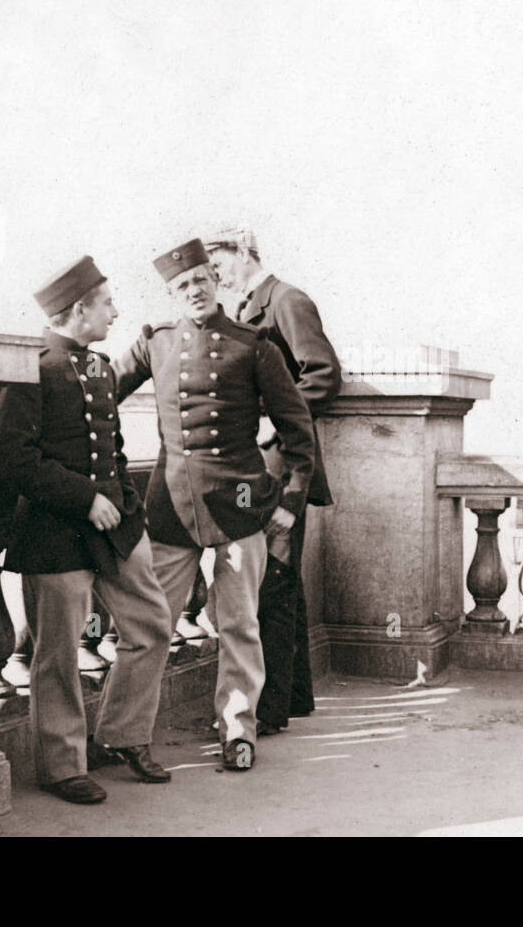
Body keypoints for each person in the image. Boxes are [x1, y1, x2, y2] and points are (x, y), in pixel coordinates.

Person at [115, 238, 315, 771]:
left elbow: (298, 431)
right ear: (170, 293)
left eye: (201, 280)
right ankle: (125, 734)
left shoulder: (254, 345)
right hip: (171, 510)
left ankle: (238, 730)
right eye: (182, 286)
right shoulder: (154, 343)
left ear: (215, 280)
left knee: (239, 624)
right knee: (150, 625)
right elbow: (98, 394)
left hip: (240, 506)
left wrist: (290, 503)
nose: (194, 291)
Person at [0, 255, 174, 805]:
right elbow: (10, 460)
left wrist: (125, 503)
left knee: (153, 625)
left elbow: (111, 450)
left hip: (115, 527)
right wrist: (84, 498)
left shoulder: (95, 367)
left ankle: (121, 735)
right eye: (107, 303)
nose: (115, 312)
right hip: (54, 534)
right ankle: (61, 764)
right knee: (58, 654)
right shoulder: (29, 367)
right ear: (78, 309)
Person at [205, 226, 341, 734]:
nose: (216, 279)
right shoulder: (249, 309)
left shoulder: (287, 300)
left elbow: (324, 372)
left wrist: (276, 418)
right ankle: (289, 698)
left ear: (244, 253)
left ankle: (266, 710)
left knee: (274, 583)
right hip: (262, 466)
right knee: (277, 581)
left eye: (219, 266)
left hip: (283, 466)